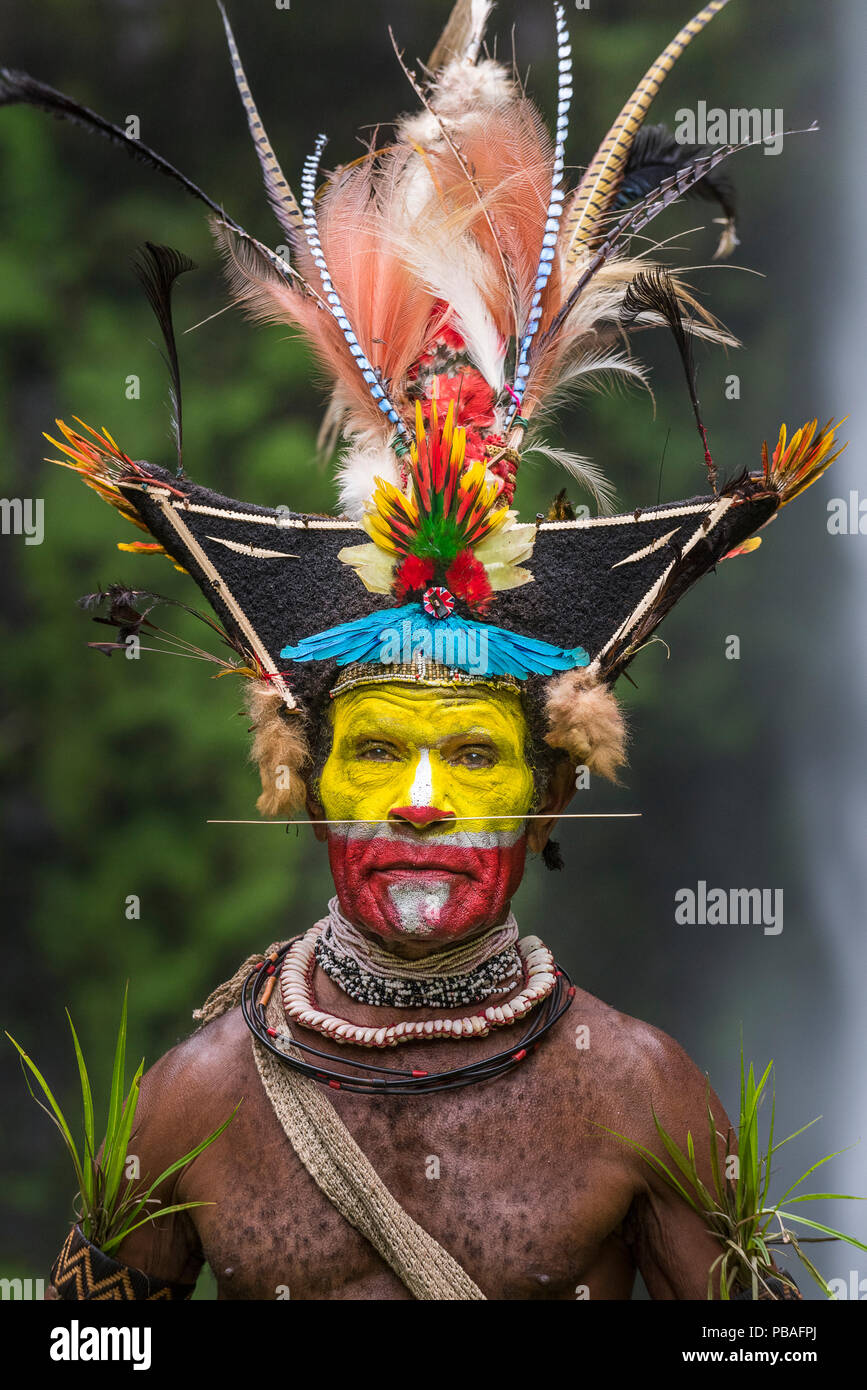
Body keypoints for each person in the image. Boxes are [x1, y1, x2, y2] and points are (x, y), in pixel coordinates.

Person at [18, 0, 838, 1299]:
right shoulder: (193, 1104)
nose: (417, 796)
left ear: (550, 786)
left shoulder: (642, 1098)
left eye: (467, 752)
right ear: (299, 773)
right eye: (381, 750)